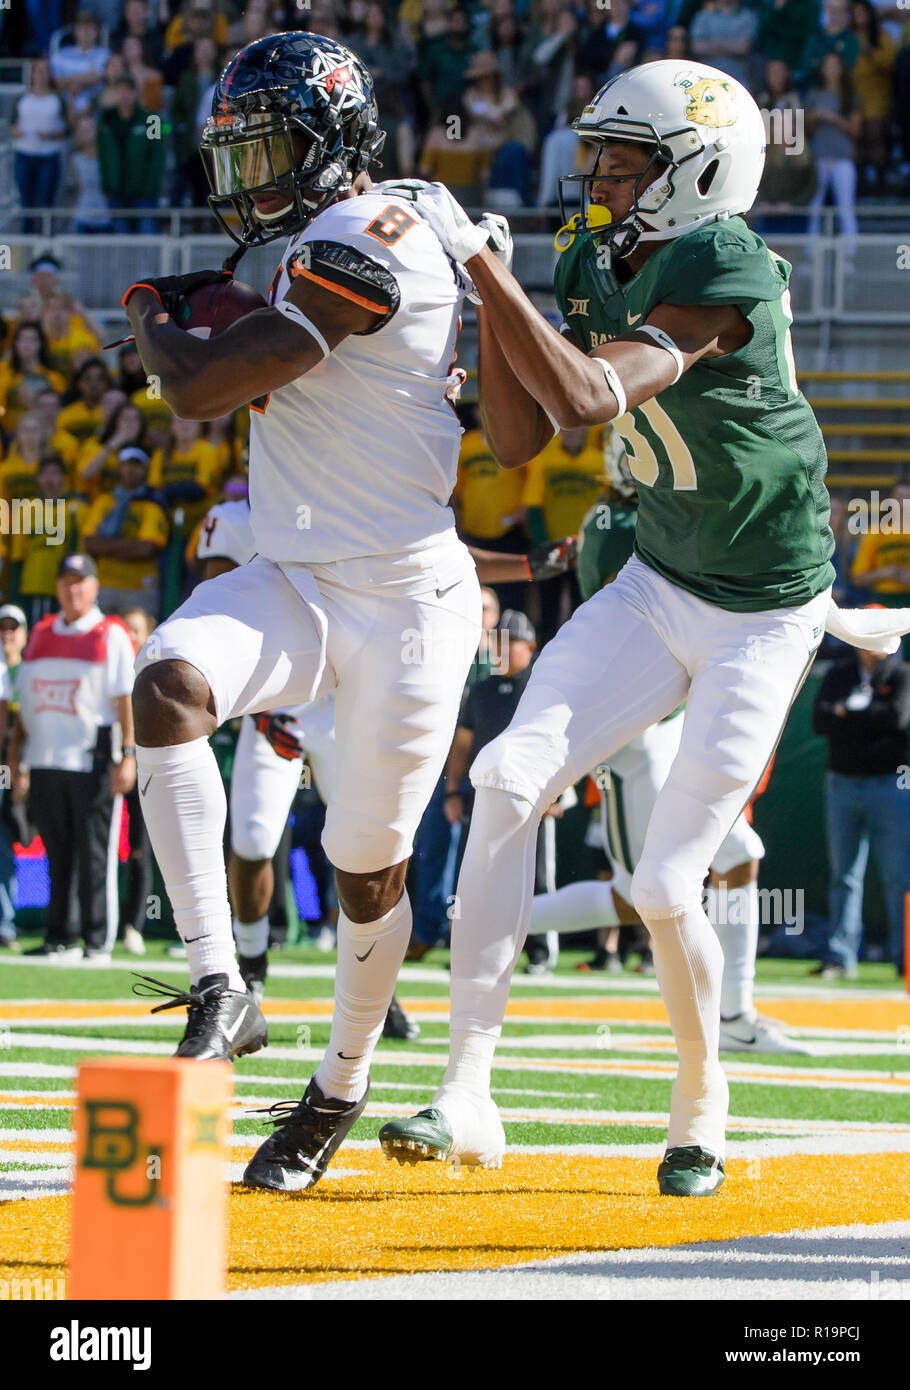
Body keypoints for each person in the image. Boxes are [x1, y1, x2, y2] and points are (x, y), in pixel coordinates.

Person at [376, 60, 909, 1197]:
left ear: (696, 169)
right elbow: (519, 442)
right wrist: (491, 297)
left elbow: (586, 400)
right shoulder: (587, 259)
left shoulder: (723, 262)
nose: (600, 174)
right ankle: (467, 1090)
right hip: (659, 575)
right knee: (512, 772)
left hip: (763, 611)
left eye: (627, 157)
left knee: (669, 879)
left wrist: (478, 259)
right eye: (602, 151)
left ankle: (700, 1104)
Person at [120, 32, 484, 1195]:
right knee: (167, 683)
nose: (246, 175)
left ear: (333, 141)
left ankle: (337, 1086)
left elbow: (198, 388)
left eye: (267, 147)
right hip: (296, 572)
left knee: (366, 866)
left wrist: (150, 318)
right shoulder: (327, 239)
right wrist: (217, 315)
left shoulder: (365, 236)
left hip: (410, 598)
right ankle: (224, 982)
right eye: (234, 152)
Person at [194, 488, 419, 1042]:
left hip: (345, 699)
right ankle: (250, 966)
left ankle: (376, 985)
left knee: (369, 848)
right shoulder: (237, 517)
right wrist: (254, 698)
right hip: (279, 700)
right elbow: (218, 611)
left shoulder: (359, 495)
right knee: (250, 839)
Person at [12, 554, 136, 963]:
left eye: (81, 581)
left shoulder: (110, 633)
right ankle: (59, 936)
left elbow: (125, 699)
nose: (73, 589)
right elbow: (27, 702)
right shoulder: (42, 633)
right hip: (47, 759)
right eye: (66, 581)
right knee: (58, 853)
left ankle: (96, 939)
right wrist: (19, 759)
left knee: (94, 853)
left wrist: (129, 754)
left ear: (96, 587)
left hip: (92, 760)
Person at [812, 632, 910, 977]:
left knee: (899, 875)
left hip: (889, 784)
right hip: (842, 782)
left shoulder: (901, 674)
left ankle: (905, 957)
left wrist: (849, 714)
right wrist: (853, 714)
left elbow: (896, 718)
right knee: (844, 875)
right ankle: (840, 956)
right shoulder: (840, 673)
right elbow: (819, 719)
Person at [81, 446, 169, 616]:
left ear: (145, 469)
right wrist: (129, 547)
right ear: (119, 467)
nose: (131, 470)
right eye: (127, 464)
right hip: (104, 585)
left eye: (136, 465)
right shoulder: (105, 501)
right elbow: (90, 543)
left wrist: (107, 548)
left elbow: (146, 549)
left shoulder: (153, 504)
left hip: (139, 589)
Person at [97, 74, 165, 234]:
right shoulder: (106, 121)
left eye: (128, 91)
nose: (124, 96)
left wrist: (150, 187)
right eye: (119, 91)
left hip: (144, 195)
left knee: (147, 240)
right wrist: (106, 186)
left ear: (135, 94)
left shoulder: (152, 119)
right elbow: (102, 156)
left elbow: (157, 156)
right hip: (116, 193)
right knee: (122, 244)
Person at [806, 51, 862, 240]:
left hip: (842, 159)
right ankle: (811, 255)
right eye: (827, 65)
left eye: (834, 65)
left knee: (845, 208)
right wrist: (814, 117)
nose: (831, 69)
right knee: (814, 209)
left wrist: (832, 118)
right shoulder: (814, 94)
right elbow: (805, 130)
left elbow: (855, 130)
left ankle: (849, 256)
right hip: (819, 158)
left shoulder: (850, 96)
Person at [10, 56, 68, 234]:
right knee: (26, 202)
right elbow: (11, 125)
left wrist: (50, 135)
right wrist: (16, 132)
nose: (41, 75)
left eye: (45, 71)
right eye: (38, 70)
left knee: (44, 202)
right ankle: (27, 239)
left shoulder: (57, 100)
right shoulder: (22, 98)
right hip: (24, 153)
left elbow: (67, 130)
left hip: (48, 155)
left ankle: (44, 241)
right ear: (32, 74)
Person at [0, 606, 28, 949]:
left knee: (9, 839)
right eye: (1, 627)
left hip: (19, 763)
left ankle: (6, 920)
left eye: (13, 627)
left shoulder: (30, 670)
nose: (6, 633)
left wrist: (22, 769)